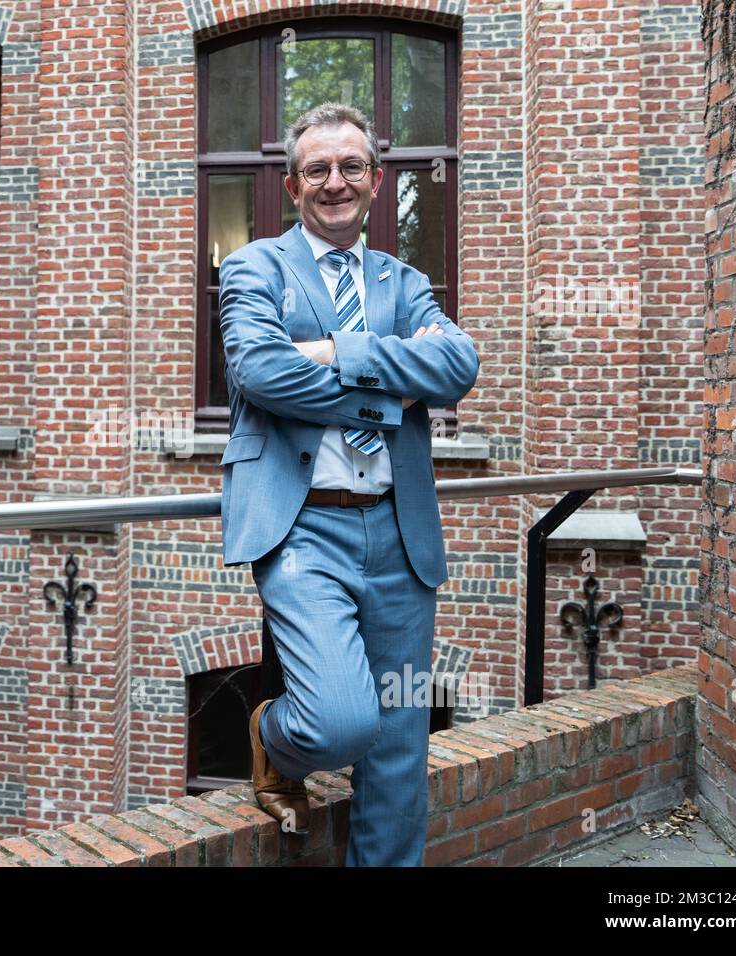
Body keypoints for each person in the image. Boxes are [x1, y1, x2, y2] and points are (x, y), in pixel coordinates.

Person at [216, 102, 480, 866]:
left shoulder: (405, 281)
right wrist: (390, 391)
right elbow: (261, 372)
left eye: (352, 167)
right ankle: (272, 735)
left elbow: (457, 367)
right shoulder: (254, 266)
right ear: (293, 185)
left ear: (376, 180)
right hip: (304, 532)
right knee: (340, 721)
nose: (336, 182)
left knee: (399, 749)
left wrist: (332, 350)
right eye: (319, 169)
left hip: (399, 535)